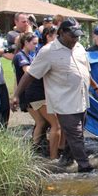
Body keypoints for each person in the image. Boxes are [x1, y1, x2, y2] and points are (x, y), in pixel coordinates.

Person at [11, 17, 98, 172]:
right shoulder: (48, 52)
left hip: (81, 100)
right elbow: (30, 74)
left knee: (75, 134)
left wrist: (96, 87)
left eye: (78, 35)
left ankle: (66, 161)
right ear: (61, 32)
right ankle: (85, 167)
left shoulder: (80, 48)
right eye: (72, 35)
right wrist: (16, 95)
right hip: (64, 103)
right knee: (76, 135)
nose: (75, 39)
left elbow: (84, 73)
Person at [22, 29, 63, 159]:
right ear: (49, 36)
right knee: (56, 124)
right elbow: (28, 73)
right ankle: (54, 157)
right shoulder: (48, 51)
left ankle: (37, 149)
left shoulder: (50, 50)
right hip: (37, 94)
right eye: (57, 35)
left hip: (37, 93)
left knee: (41, 122)